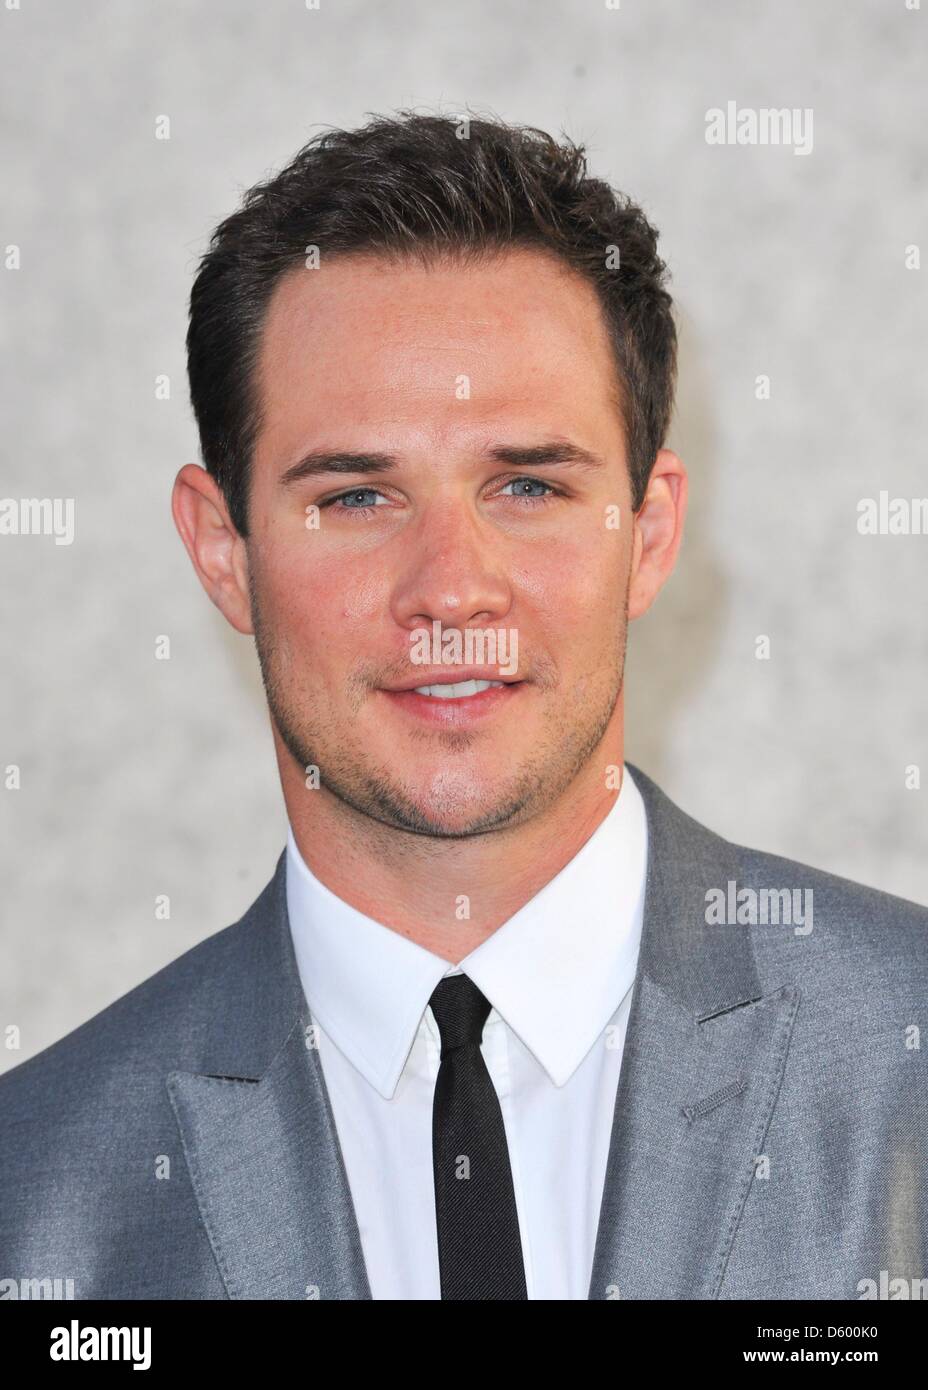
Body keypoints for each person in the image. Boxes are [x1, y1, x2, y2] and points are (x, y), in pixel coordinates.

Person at [1, 111, 926, 1302]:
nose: (450, 588)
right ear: (222, 550)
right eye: (356, 497)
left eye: (529, 484)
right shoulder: (35, 1196)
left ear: (648, 534)